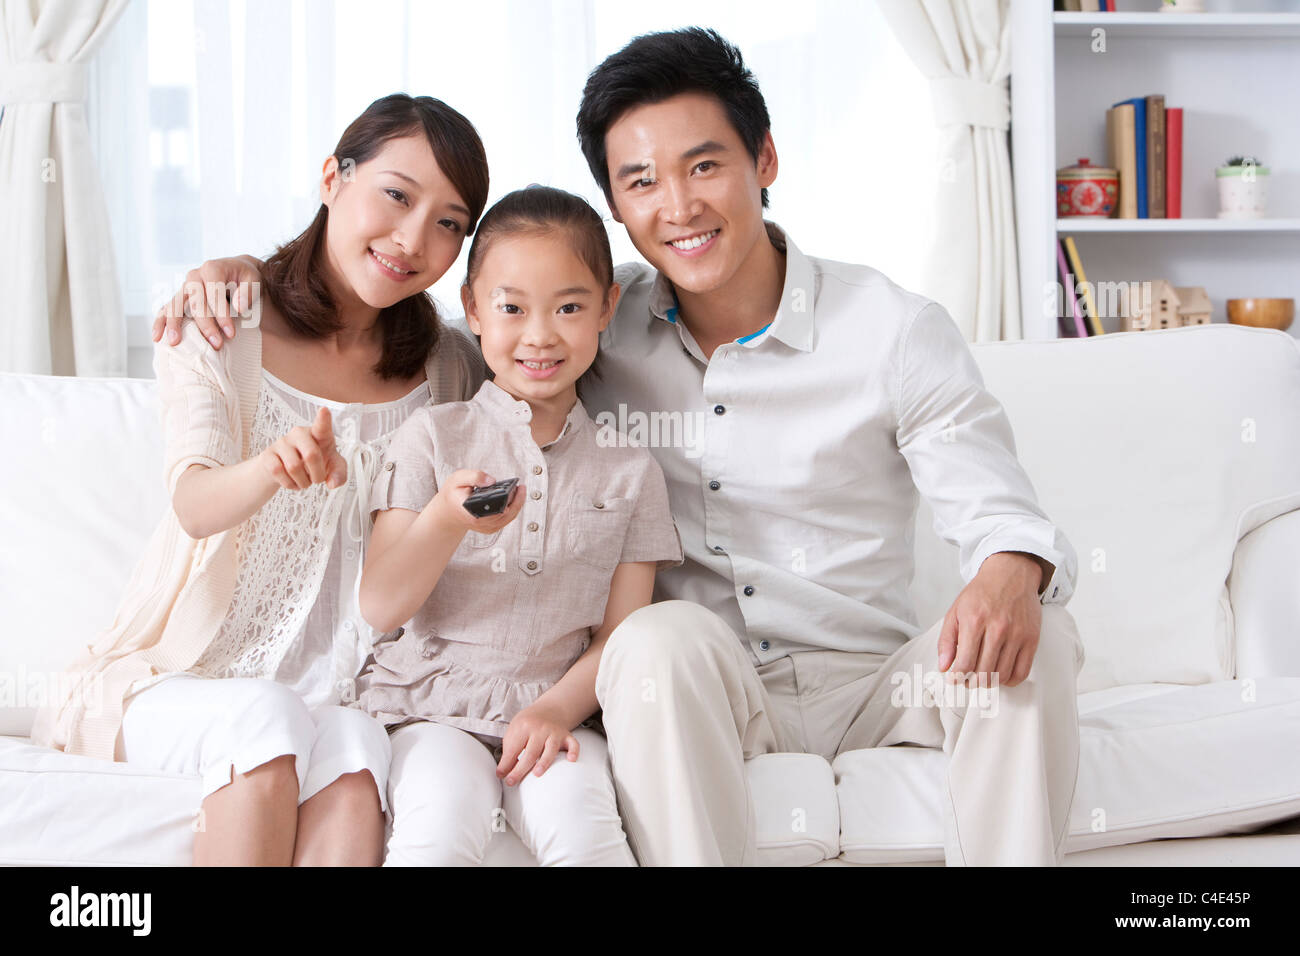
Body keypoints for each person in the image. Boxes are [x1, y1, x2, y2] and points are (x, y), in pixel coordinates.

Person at [154, 28, 1086, 868]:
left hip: (870, 675)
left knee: (1039, 643)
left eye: (705, 166)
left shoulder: (892, 330)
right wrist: (251, 277)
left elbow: (995, 501)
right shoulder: (592, 319)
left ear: (764, 158)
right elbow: (458, 313)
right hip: (699, 680)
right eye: (640, 183)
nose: (677, 205)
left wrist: (1012, 564)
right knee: (660, 638)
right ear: (616, 209)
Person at [31, 93, 491, 866]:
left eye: (449, 222)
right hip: (175, 681)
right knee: (267, 718)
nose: (414, 239)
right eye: (396, 195)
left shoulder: (450, 371)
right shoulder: (220, 324)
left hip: (337, 694)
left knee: (352, 750)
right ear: (331, 179)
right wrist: (270, 467)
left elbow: (546, 321)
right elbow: (195, 503)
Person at [354, 186, 682, 866]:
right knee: (441, 819)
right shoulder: (431, 437)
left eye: (568, 307)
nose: (539, 334)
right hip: (429, 707)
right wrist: (447, 517)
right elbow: (381, 603)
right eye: (511, 308)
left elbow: (622, 635)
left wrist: (557, 711)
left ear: (605, 310)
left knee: (585, 827)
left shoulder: (630, 470)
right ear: (473, 309)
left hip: (559, 708)